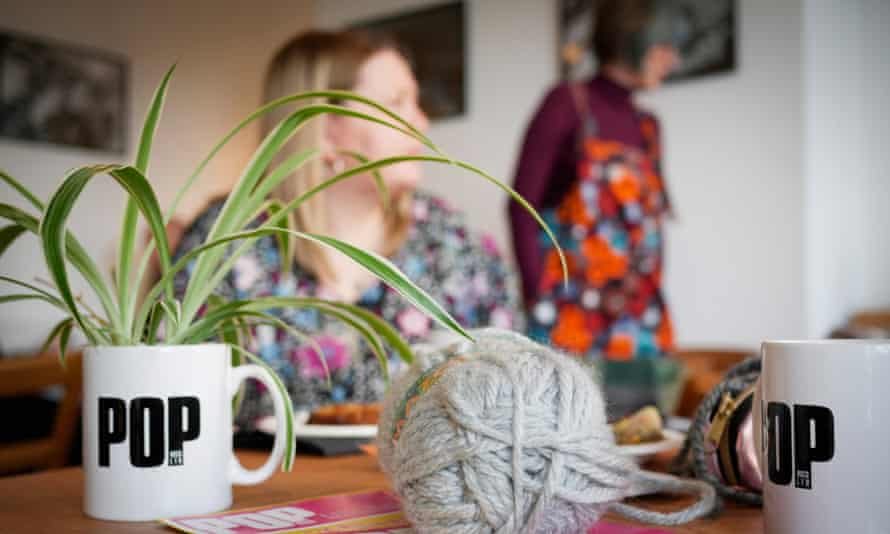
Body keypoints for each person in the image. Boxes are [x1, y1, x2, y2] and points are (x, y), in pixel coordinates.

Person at [173, 30, 522, 430]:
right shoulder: (225, 244)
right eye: (396, 103)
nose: (422, 121)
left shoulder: (454, 243)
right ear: (323, 128)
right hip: (259, 489)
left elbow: (516, 390)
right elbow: (175, 403)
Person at [510, 0, 685, 360]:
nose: (674, 60)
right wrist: (537, 299)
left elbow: (650, 228)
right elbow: (520, 207)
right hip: (570, 315)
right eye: (665, 46)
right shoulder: (566, 104)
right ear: (635, 40)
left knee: (648, 417)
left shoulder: (648, 127)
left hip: (640, 322)